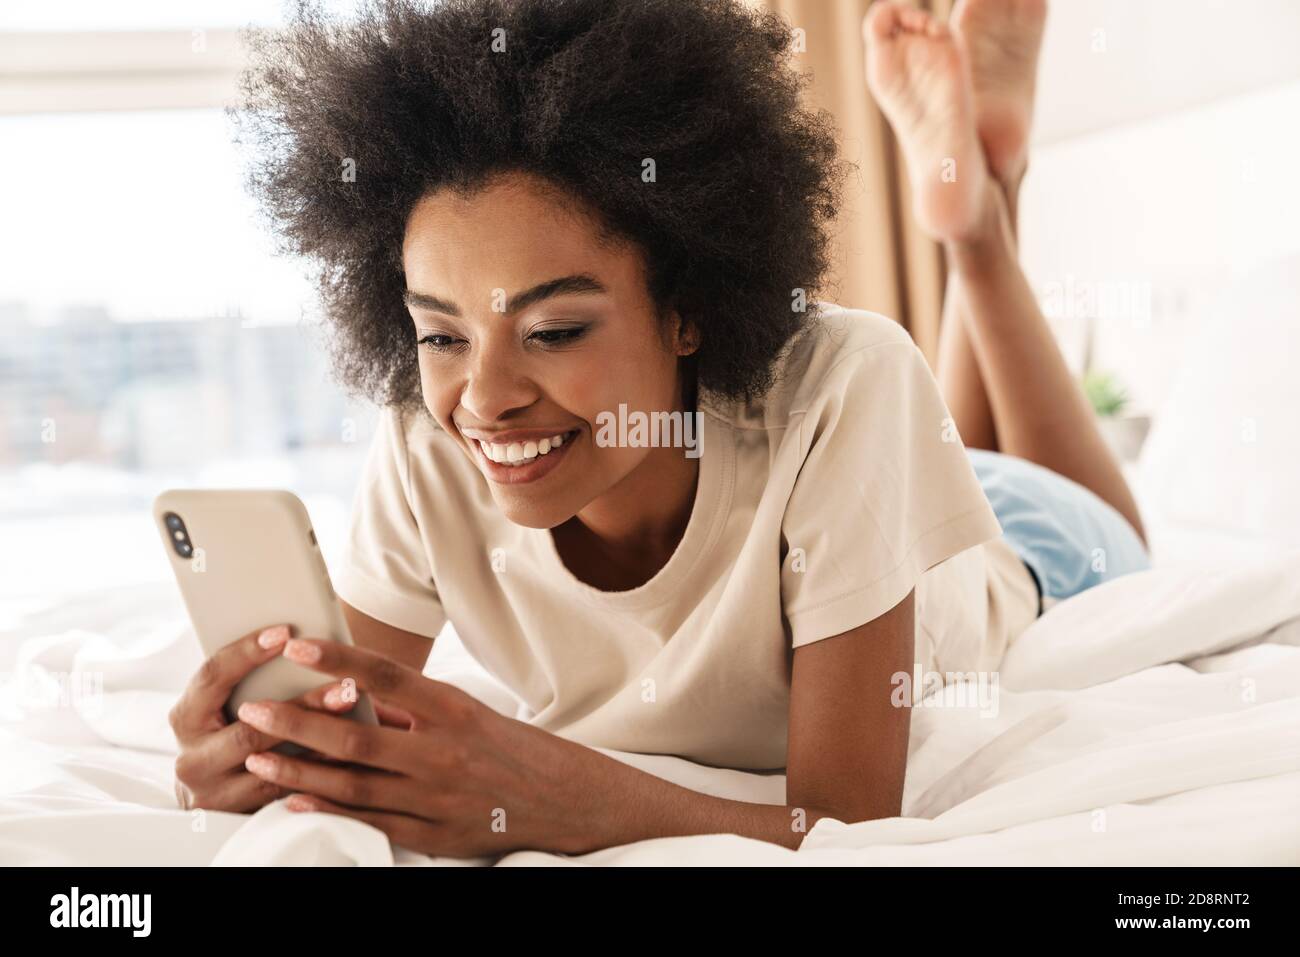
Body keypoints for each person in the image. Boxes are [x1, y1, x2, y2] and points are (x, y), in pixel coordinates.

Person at [167, 0, 1148, 858]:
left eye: (552, 330)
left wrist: (546, 795)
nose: (484, 397)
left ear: (688, 309)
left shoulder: (847, 378)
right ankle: (975, 191)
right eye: (440, 333)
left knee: (1115, 534)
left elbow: (846, 826)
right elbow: (353, 720)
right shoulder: (431, 433)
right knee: (949, 443)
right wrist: (257, 755)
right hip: (874, 495)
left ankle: (974, 232)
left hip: (1020, 548)